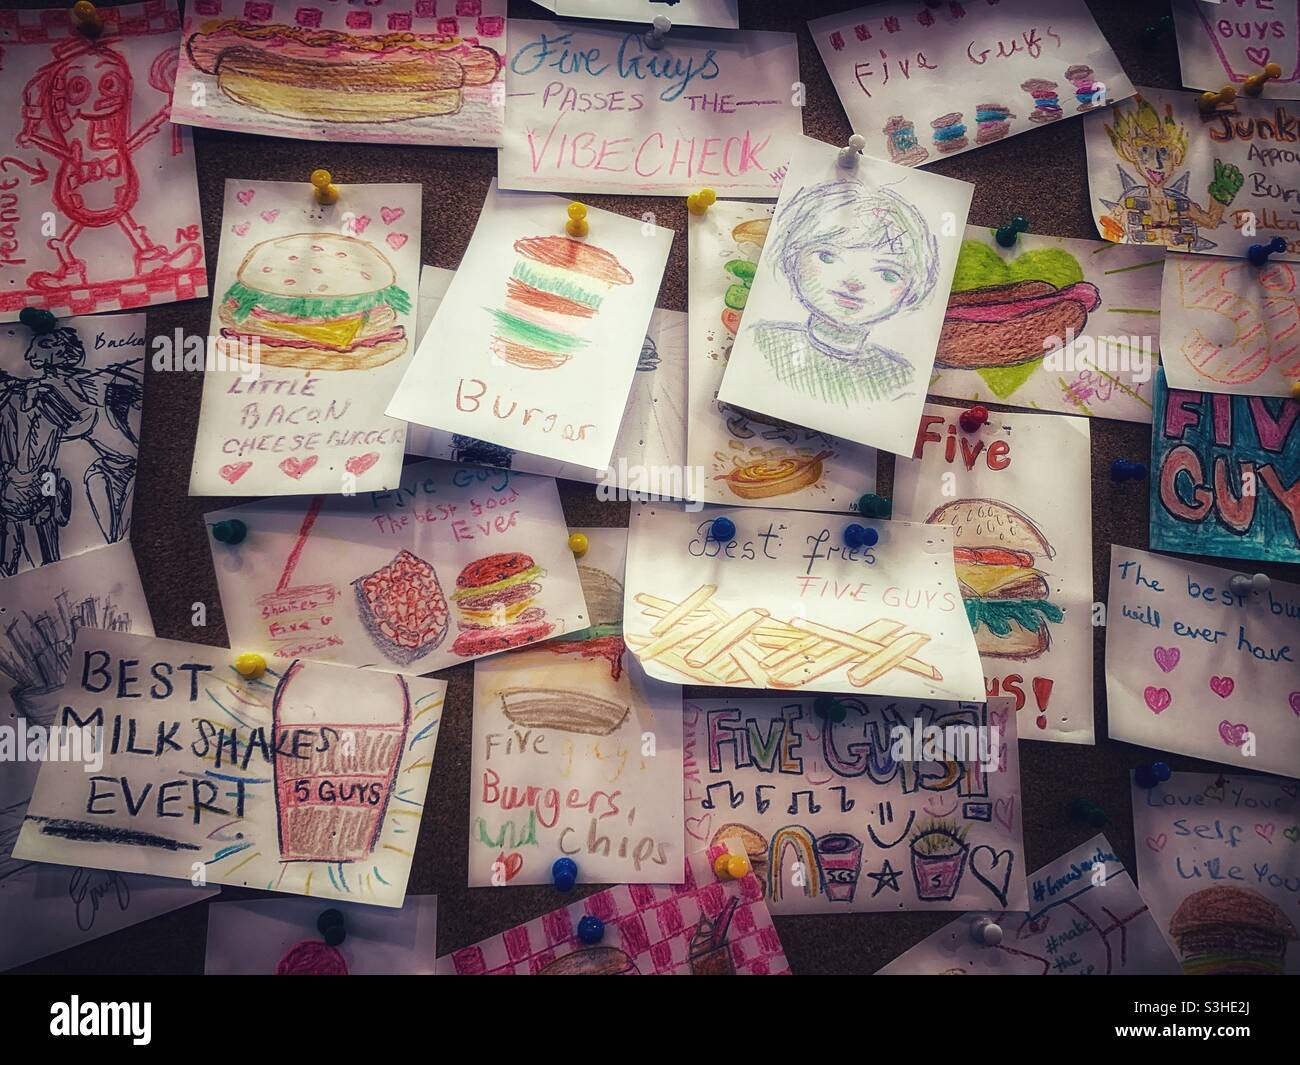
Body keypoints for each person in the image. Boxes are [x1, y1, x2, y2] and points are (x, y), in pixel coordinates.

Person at [747, 178, 940, 407]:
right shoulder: (759, 341)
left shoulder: (900, 378)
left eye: (887, 274)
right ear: (792, 259)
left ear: (911, 292)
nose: (853, 283)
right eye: (828, 257)